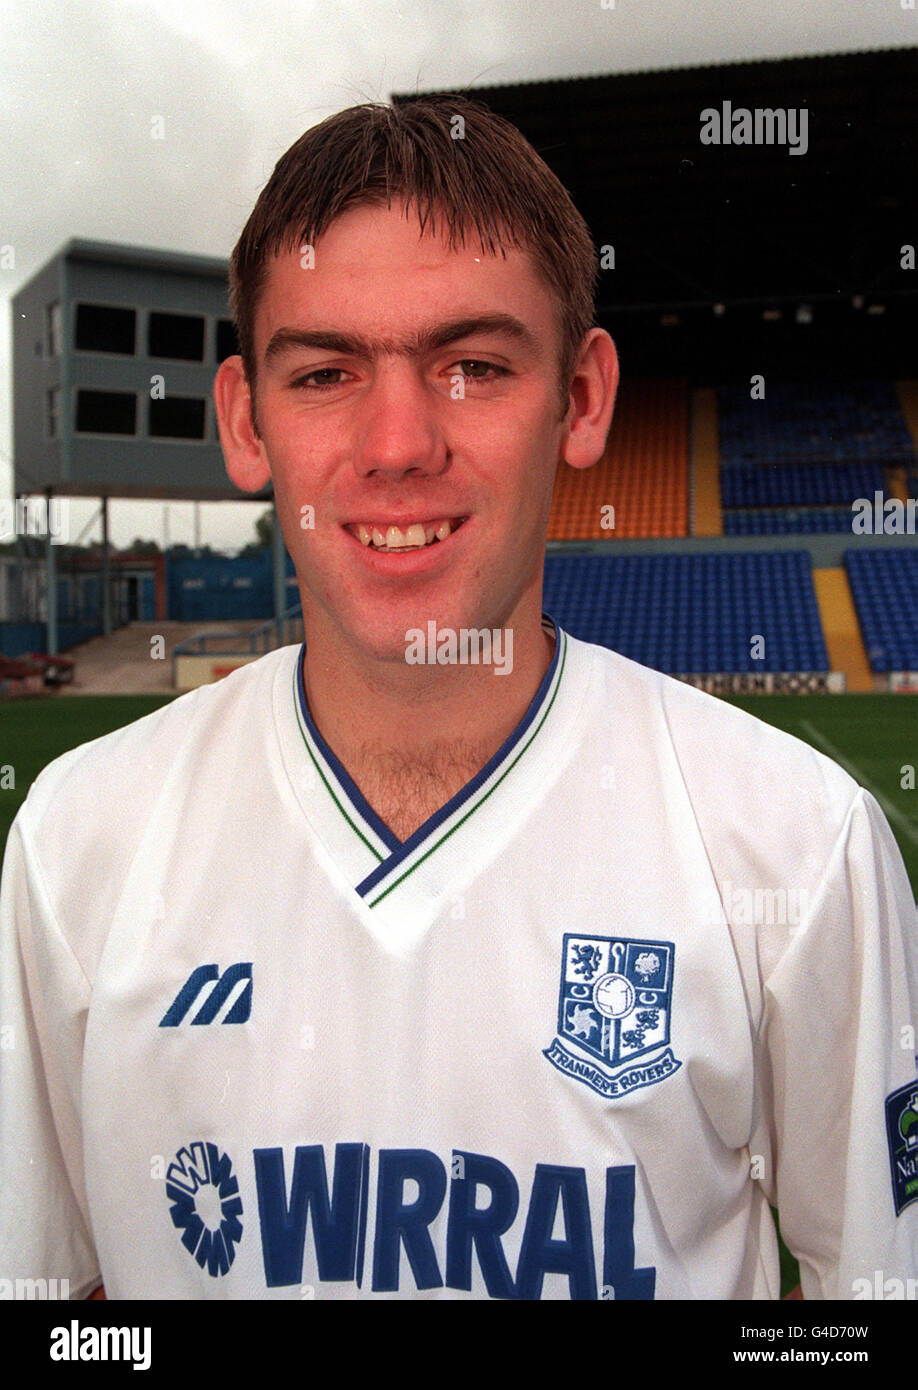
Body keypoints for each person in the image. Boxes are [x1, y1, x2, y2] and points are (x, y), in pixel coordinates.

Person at [1, 95, 916, 1302]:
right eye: (326, 371)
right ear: (243, 421)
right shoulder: (77, 844)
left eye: (474, 366)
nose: (398, 443)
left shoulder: (797, 842)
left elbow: (871, 1294)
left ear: (582, 400)